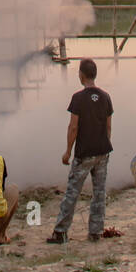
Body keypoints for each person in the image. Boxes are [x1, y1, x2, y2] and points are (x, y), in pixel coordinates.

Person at [46, 58, 113, 244]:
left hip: (84, 153)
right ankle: (96, 232)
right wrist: (105, 145)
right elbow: (108, 126)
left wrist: (68, 151)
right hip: (102, 151)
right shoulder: (105, 97)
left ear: (82, 75)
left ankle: (61, 231)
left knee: (73, 192)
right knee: (99, 193)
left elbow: (73, 127)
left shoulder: (78, 98)